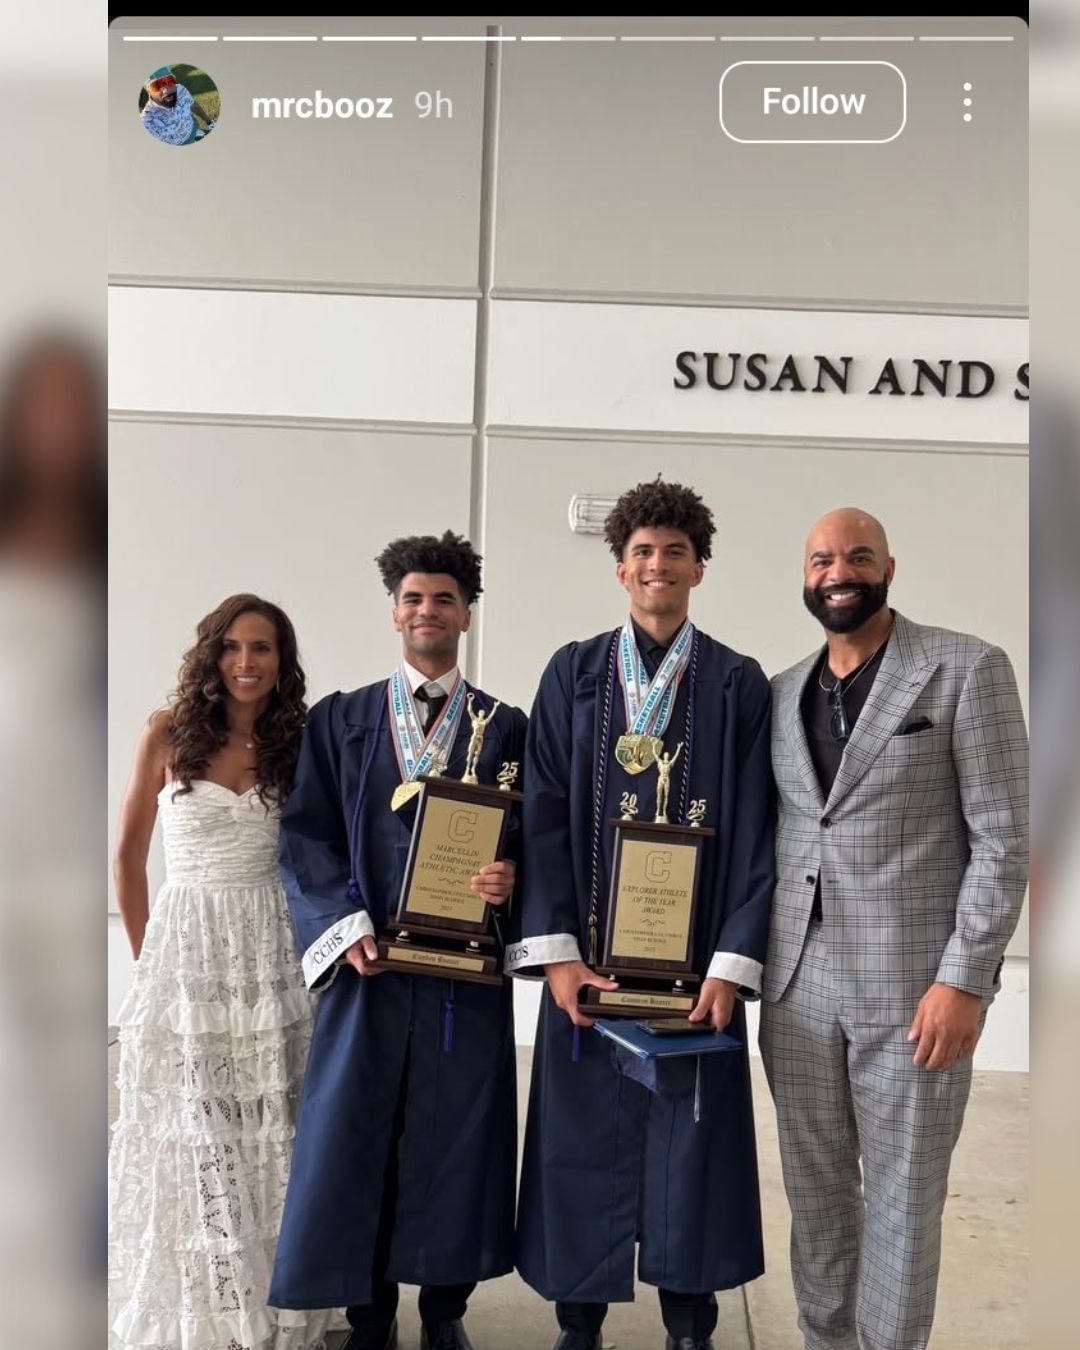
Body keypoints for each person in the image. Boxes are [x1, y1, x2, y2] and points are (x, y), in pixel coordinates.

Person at [506, 480, 775, 1350]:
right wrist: (556, 959)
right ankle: (577, 1323)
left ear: (700, 564)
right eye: (642, 551)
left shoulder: (736, 683)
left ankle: (690, 1325)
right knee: (582, 1141)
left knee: (688, 1149)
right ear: (620, 567)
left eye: (675, 550)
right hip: (590, 967)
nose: (658, 565)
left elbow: (759, 829)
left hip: (693, 977)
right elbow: (540, 815)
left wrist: (731, 963)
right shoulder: (574, 672)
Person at [760, 507, 1029, 1350]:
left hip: (917, 992)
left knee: (905, 1200)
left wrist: (965, 980)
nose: (839, 571)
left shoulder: (965, 669)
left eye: (857, 556)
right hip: (795, 987)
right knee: (815, 1193)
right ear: (805, 578)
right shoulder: (781, 689)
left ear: (888, 567)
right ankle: (823, 1338)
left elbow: (1005, 839)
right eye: (821, 560)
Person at [268, 532, 527, 1350]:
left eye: (443, 599)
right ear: (394, 612)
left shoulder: (505, 727)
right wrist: (343, 929)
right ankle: (370, 1313)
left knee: (457, 1138)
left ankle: (444, 1312)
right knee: (361, 1139)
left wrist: (507, 882)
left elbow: (537, 840)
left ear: (466, 614)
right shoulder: (341, 721)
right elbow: (305, 837)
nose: (427, 611)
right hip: (367, 970)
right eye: (414, 598)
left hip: (462, 981)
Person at [109, 594, 330, 1350]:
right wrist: (148, 967)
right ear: (212, 653)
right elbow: (126, 857)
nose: (246, 662)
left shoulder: (296, 742)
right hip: (186, 951)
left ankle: (274, 1298)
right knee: (198, 1129)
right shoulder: (167, 733)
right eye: (233, 647)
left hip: (270, 953)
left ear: (281, 661)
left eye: (262, 648)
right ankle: (211, 1304)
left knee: (271, 1130)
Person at [140, 68, 215, 146]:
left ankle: (196, 134)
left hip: (193, 128)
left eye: (169, 81)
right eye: (156, 85)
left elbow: (193, 106)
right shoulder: (147, 122)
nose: (166, 91)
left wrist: (209, 122)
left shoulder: (180, 90)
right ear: (147, 90)